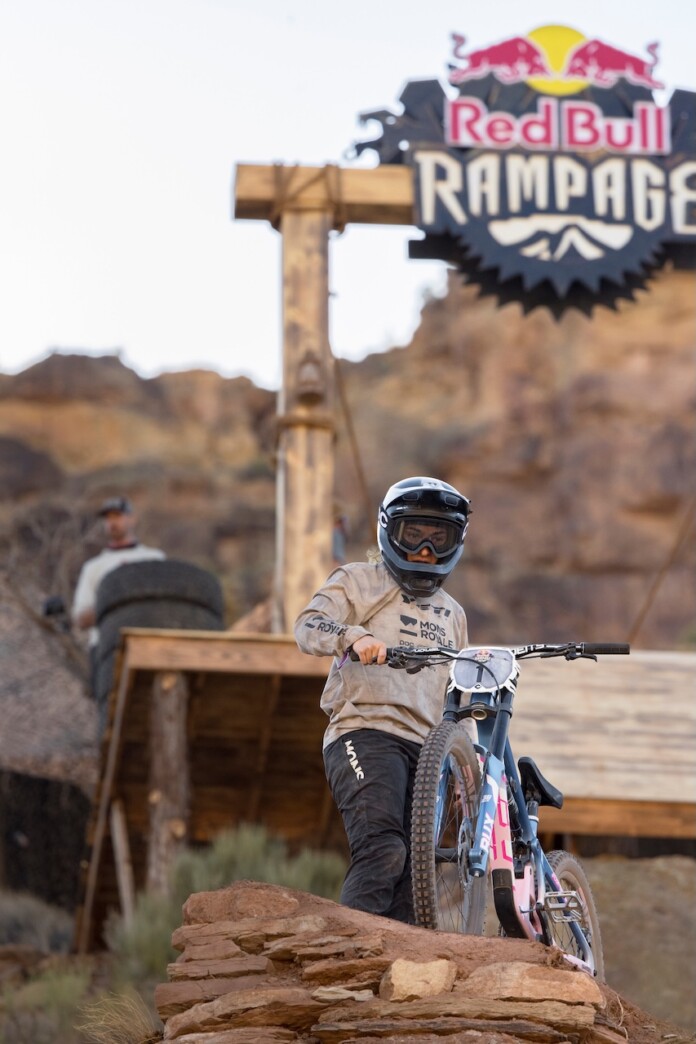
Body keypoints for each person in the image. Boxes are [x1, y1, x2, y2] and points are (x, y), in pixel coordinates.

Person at [294, 476, 473, 923]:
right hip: (364, 730)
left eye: (439, 537)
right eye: (413, 534)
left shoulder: (454, 613)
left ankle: (391, 978)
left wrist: (468, 764)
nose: (425, 549)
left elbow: (460, 694)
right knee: (384, 848)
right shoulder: (358, 580)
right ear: (390, 531)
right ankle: (344, 954)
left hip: (430, 752)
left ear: (456, 542)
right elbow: (308, 625)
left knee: (416, 876)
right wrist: (354, 636)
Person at [72, 496, 165, 658]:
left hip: (148, 645)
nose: (112, 522)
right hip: (105, 648)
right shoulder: (93, 567)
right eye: (108, 518)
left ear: (132, 519)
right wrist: (117, 607)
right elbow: (81, 618)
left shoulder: (154, 558)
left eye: (117, 516)